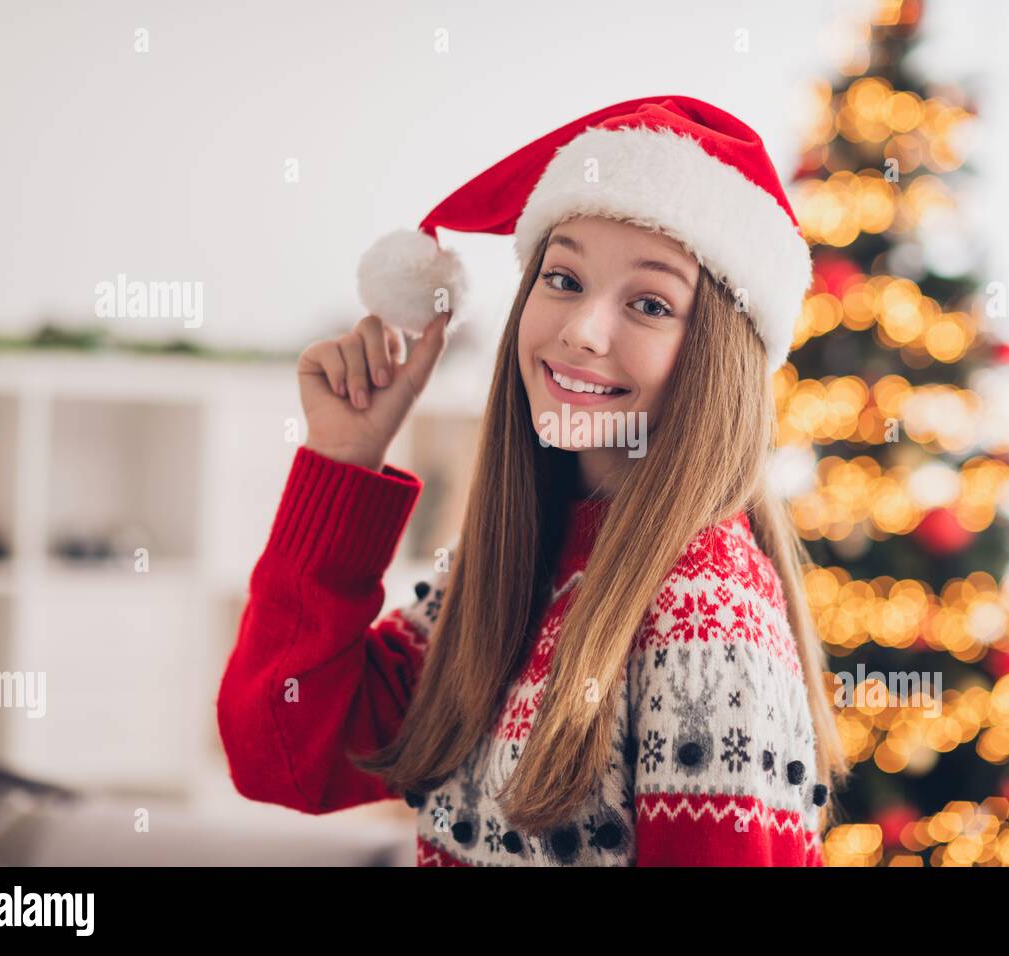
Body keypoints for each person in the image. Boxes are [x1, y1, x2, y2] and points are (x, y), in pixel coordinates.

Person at [217, 94, 850, 866]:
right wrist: (343, 459)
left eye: (649, 303)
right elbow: (282, 754)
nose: (581, 329)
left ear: (716, 356)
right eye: (563, 279)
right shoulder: (517, 564)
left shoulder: (703, 605)